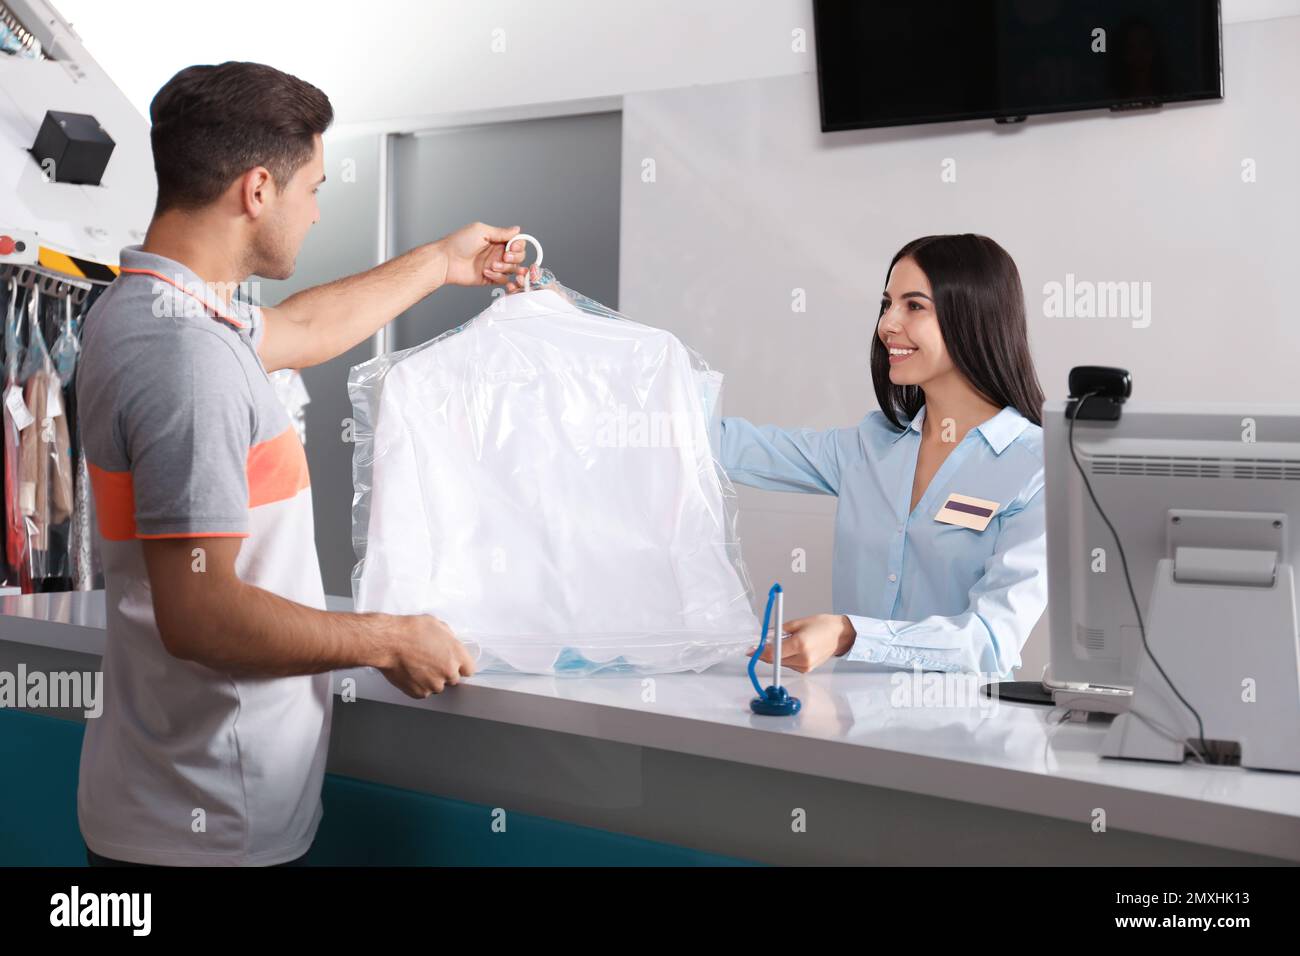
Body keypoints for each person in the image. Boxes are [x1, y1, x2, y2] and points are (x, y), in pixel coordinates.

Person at [76, 61, 530, 866]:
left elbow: (302, 331)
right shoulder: (187, 357)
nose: (318, 212)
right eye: (312, 188)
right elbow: (201, 615)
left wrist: (442, 264)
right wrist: (389, 639)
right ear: (257, 190)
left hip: (167, 804)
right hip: (205, 828)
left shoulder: (148, 307)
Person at [718, 234, 1047, 676]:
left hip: (962, 735)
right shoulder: (870, 445)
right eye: (886, 304)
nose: (887, 325)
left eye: (914, 306)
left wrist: (851, 635)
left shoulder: (1036, 470)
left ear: (973, 316)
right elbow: (729, 446)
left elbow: (989, 641)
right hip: (853, 729)